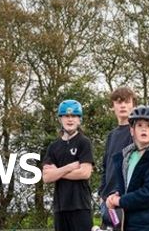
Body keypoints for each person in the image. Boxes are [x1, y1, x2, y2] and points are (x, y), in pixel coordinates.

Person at [105, 105, 149, 231]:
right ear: (132, 130)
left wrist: (120, 201)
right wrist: (113, 196)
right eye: (140, 125)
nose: (144, 129)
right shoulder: (126, 157)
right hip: (128, 224)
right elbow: (126, 187)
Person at [42, 99, 95, 231]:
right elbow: (46, 177)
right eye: (66, 116)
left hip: (80, 205)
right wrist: (69, 167)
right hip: (60, 207)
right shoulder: (53, 147)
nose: (70, 119)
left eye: (74, 116)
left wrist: (57, 173)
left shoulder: (84, 142)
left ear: (79, 119)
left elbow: (85, 173)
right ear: (60, 119)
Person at [100, 87, 137, 227]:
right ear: (112, 106)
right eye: (118, 102)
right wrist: (102, 194)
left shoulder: (136, 133)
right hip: (107, 201)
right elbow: (105, 166)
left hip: (123, 199)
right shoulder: (111, 135)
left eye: (127, 102)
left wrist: (121, 194)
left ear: (133, 105)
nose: (122, 106)